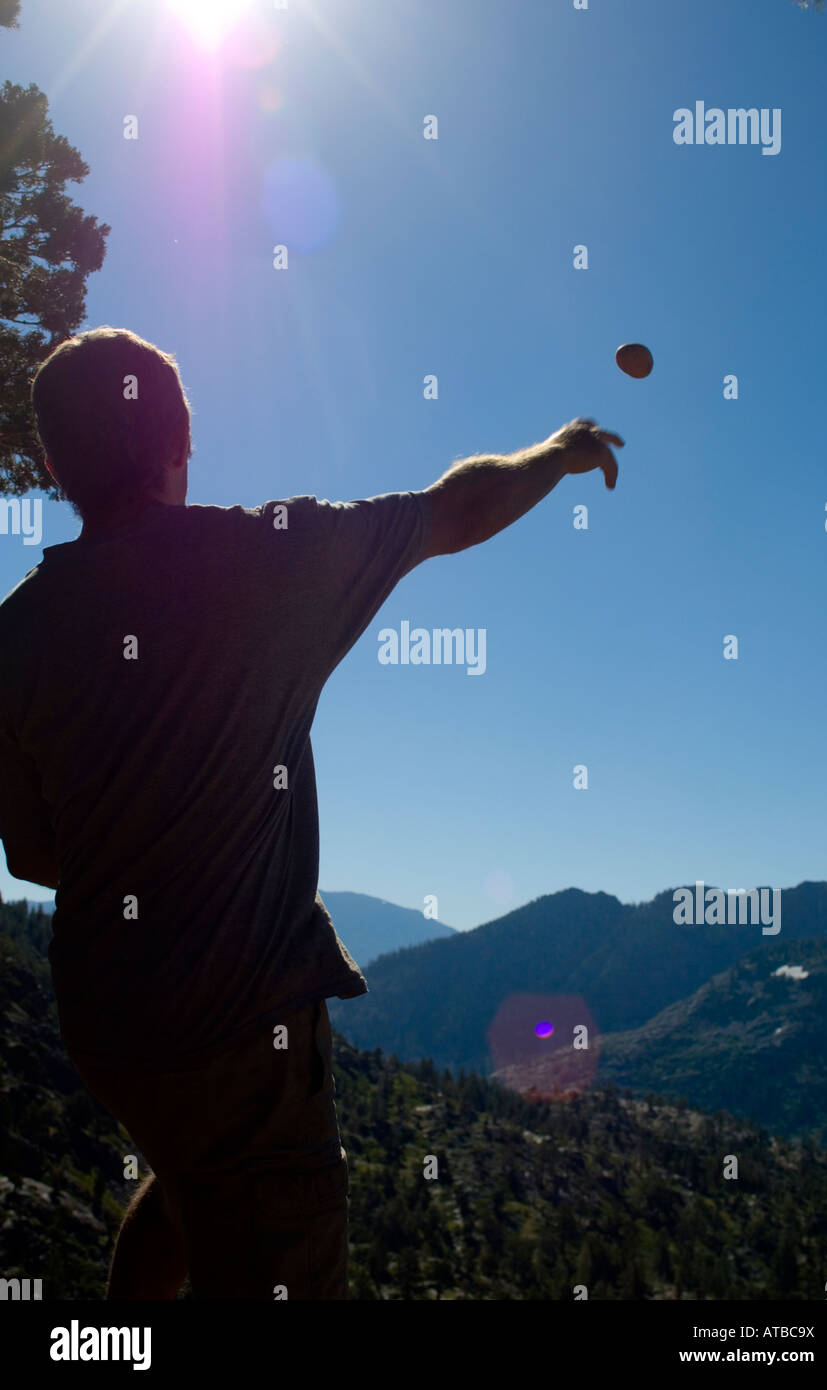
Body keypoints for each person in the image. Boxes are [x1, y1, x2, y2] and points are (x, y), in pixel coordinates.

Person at [0, 326, 623, 1300]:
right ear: (181, 443)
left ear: (51, 465)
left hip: (111, 1023)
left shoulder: (21, 630)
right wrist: (560, 450)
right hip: (238, 1028)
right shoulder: (270, 563)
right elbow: (454, 508)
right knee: (270, 1232)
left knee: (192, 1178)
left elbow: (33, 853)